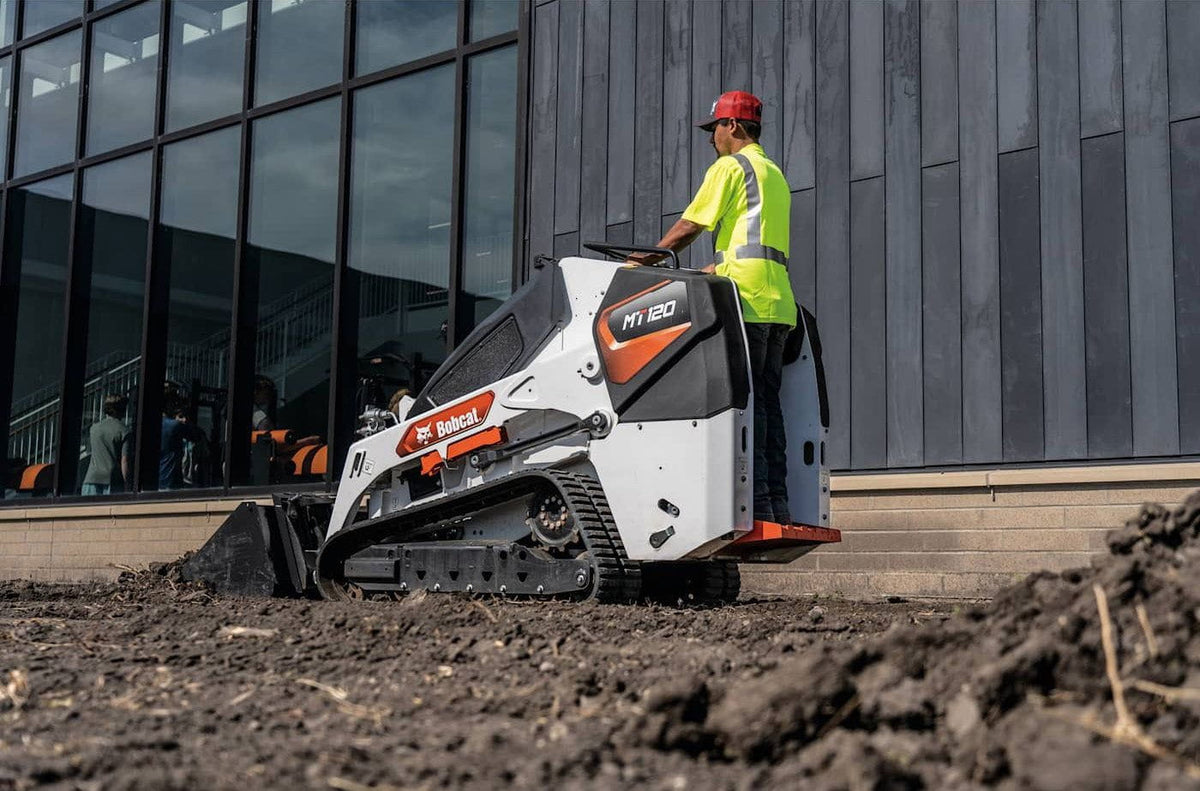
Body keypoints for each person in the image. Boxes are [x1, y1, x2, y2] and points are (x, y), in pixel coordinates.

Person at [626, 90, 796, 525]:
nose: (711, 138)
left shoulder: (730, 166)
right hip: (778, 302)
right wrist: (708, 268)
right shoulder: (772, 172)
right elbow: (749, 242)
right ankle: (777, 503)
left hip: (748, 299)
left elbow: (690, 225)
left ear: (733, 127)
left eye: (715, 128)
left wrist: (641, 261)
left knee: (746, 405)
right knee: (769, 405)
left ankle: (754, 507)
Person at [82, 394, 132, 496]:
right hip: (112, 481)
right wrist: (128, 485)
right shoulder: (124, 431)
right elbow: (124, 461)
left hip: (91, 479)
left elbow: (90, 452)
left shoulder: (94, 429)